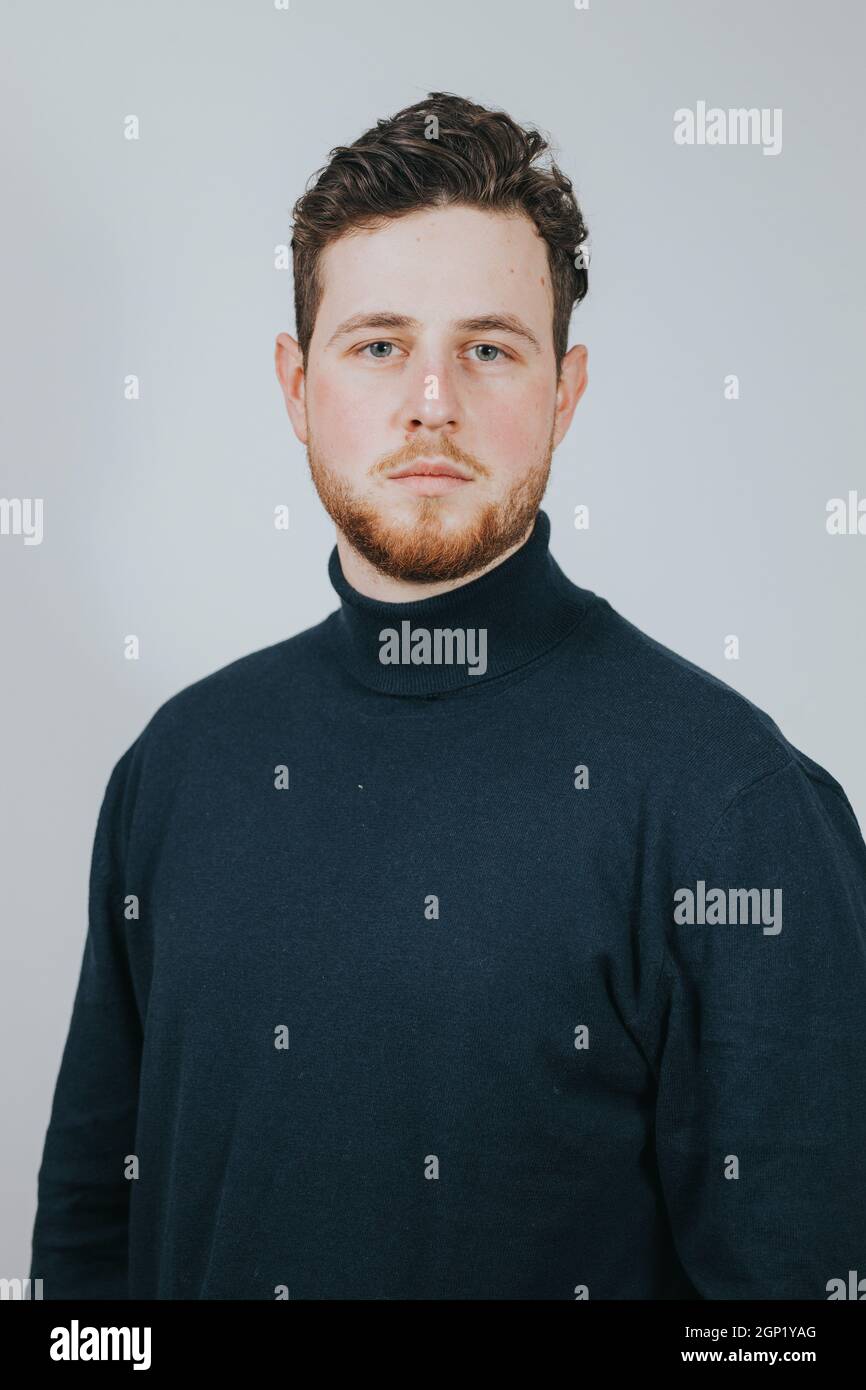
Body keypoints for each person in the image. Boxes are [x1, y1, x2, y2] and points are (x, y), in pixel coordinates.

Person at [31, 91, 866, 1300]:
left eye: (488, 347)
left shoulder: (735, 807)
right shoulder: (177, 767)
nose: (433, 400)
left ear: (565, 390)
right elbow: (83, 1263)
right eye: (377, 344)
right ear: (294, 383)